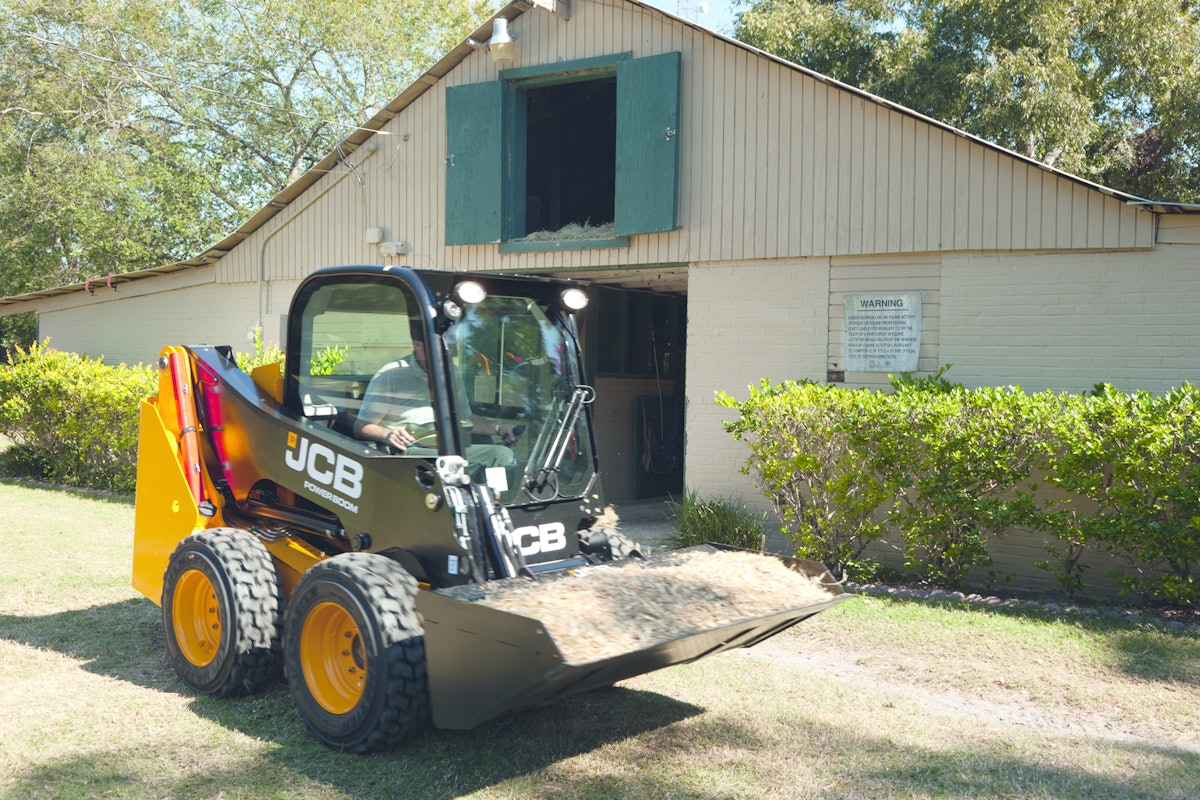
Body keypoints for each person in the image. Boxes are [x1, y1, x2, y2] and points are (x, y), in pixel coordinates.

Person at [353, 329, 521, 475]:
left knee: (489, 446)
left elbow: (464, 419)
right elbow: (361, 426)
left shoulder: (451, 373)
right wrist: (387, 435)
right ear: (418, 345)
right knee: (500, 455)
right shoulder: (391, 375)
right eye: (443, 345)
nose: (449, 350)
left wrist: (500, 428)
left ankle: (487, 498)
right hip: (410, 451)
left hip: (446, 446)